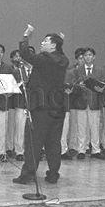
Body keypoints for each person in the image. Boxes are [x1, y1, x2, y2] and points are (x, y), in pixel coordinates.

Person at [13, 24, 69, 185]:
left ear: (53, 45)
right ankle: (53, 174)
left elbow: (24, 54)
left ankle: (28, 174)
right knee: (53, 142)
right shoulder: (63, 60)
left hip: (40, 107)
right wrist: (61, 43)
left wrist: (26, 35)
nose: (42, 43)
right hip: (57, 107)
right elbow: (60, 54)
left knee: (34, 141)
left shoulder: (44, 59)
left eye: (45, 41)